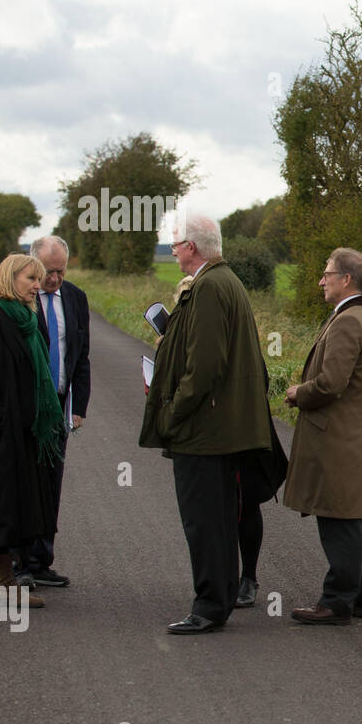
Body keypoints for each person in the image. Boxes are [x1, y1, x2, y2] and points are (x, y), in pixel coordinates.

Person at [139, 215, 270, 634]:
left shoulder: (211, 286)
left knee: (204, 520)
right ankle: (221, 595)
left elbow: (206, 365)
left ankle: (210, 606)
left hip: (204, 430)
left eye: (176, 244)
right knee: (215, 516)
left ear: (192, 247)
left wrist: (172, 411)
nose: (173, 250)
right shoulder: (221, 281)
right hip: (216, 427)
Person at [0, 235, 89, 588]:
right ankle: (10, 572)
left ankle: (33, 563)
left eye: (58, 272)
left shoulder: (54, 307)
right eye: (37, 275)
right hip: (11, 420)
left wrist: (79, 406)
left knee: (42, 489)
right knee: (8, 492)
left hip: (48, 412)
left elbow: (81, 356)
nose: (47, 281)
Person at [284, 248, 362, 625]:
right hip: (351, 436)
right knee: (351, 516)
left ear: (347, 279)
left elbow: (330, 384)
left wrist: (298, 393)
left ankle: (338, 601)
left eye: (327, 274)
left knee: (337, 518)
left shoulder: (348, 321)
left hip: (336, 438)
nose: (321, 280)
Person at [0, 254, 61, 608]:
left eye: (39, 279)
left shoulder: (24, 318)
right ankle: (1, 582)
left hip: (19, 427)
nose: (38, 285)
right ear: (10, 277)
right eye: (30, 278)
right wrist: (4, 423)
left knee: (0, 501)